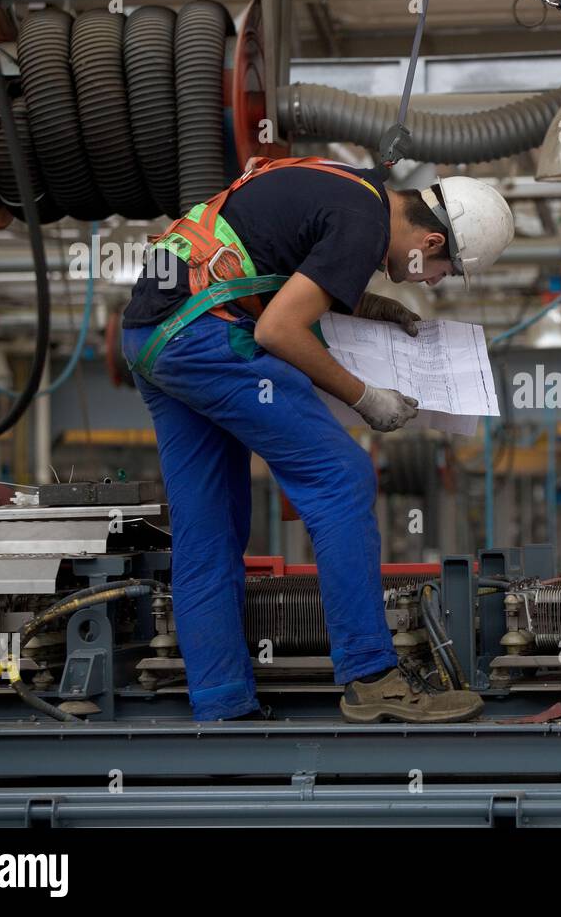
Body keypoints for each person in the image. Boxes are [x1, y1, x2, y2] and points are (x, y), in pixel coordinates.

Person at [121, 156, 514, 720]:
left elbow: (270, 254)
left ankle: (222, 701)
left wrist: (360, 300)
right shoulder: (366, 225)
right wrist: (364, 396)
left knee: (208, 523)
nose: (433, 281)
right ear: (428, 240)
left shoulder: (353, 190)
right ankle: (371, 677)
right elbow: (277, 329)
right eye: (442, 269)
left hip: (151, 339)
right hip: (205, 338)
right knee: (342, 477)